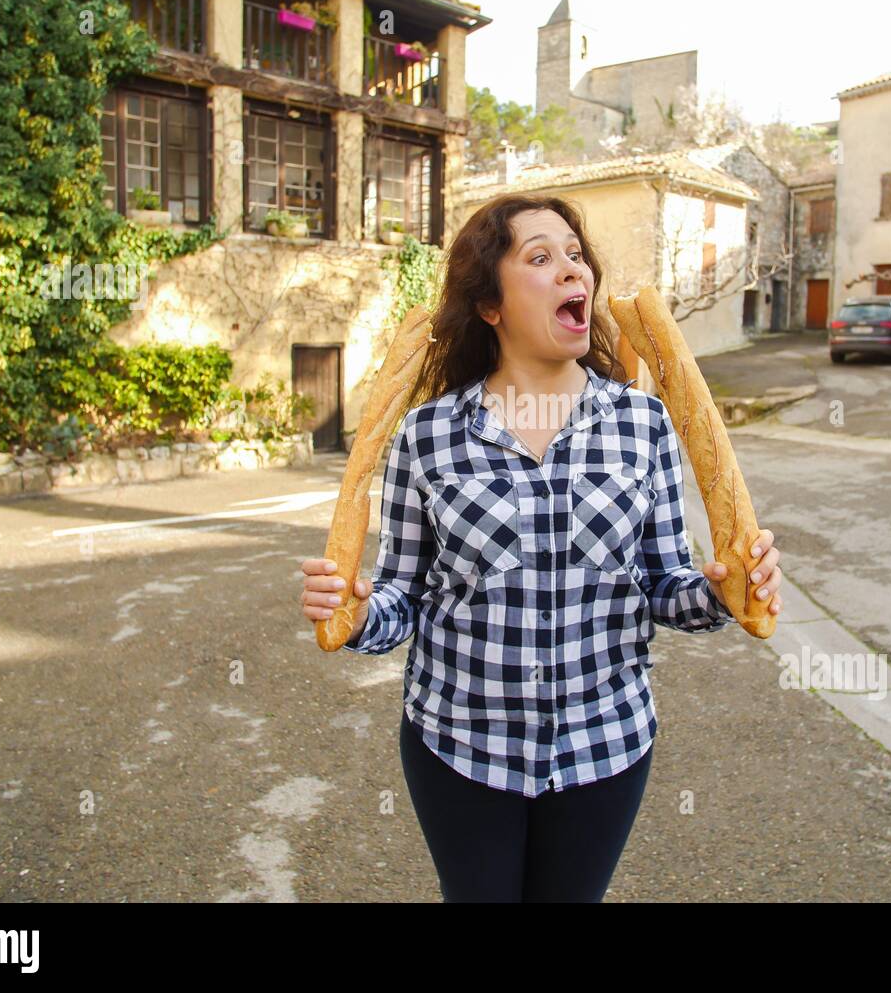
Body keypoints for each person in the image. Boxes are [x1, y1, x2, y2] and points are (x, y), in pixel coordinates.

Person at [300, 193, 783, 902]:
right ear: (491, 305)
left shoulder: (642, 424)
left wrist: (720, 593)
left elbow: (663, 582)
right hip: (461, 746)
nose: (571, 270)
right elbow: (403, 593)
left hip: (605, 744)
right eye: (540, 257)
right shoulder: (427, 435)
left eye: (576, 255)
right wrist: (354, 613)